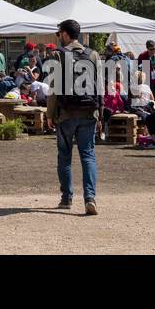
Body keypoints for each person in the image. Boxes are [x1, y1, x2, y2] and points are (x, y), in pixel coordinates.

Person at [45, 19, 101, 216]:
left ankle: (67, 198)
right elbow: (99, 86)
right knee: (88, 155)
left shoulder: (58, 55)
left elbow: (53, 88)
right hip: (88, 112)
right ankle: (90, 198)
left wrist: (49, 114)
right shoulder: (93, 54)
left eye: (58, 34)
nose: (58, 37)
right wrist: (99, 112)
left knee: (65, 156)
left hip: (65, 113)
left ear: (65, 34)